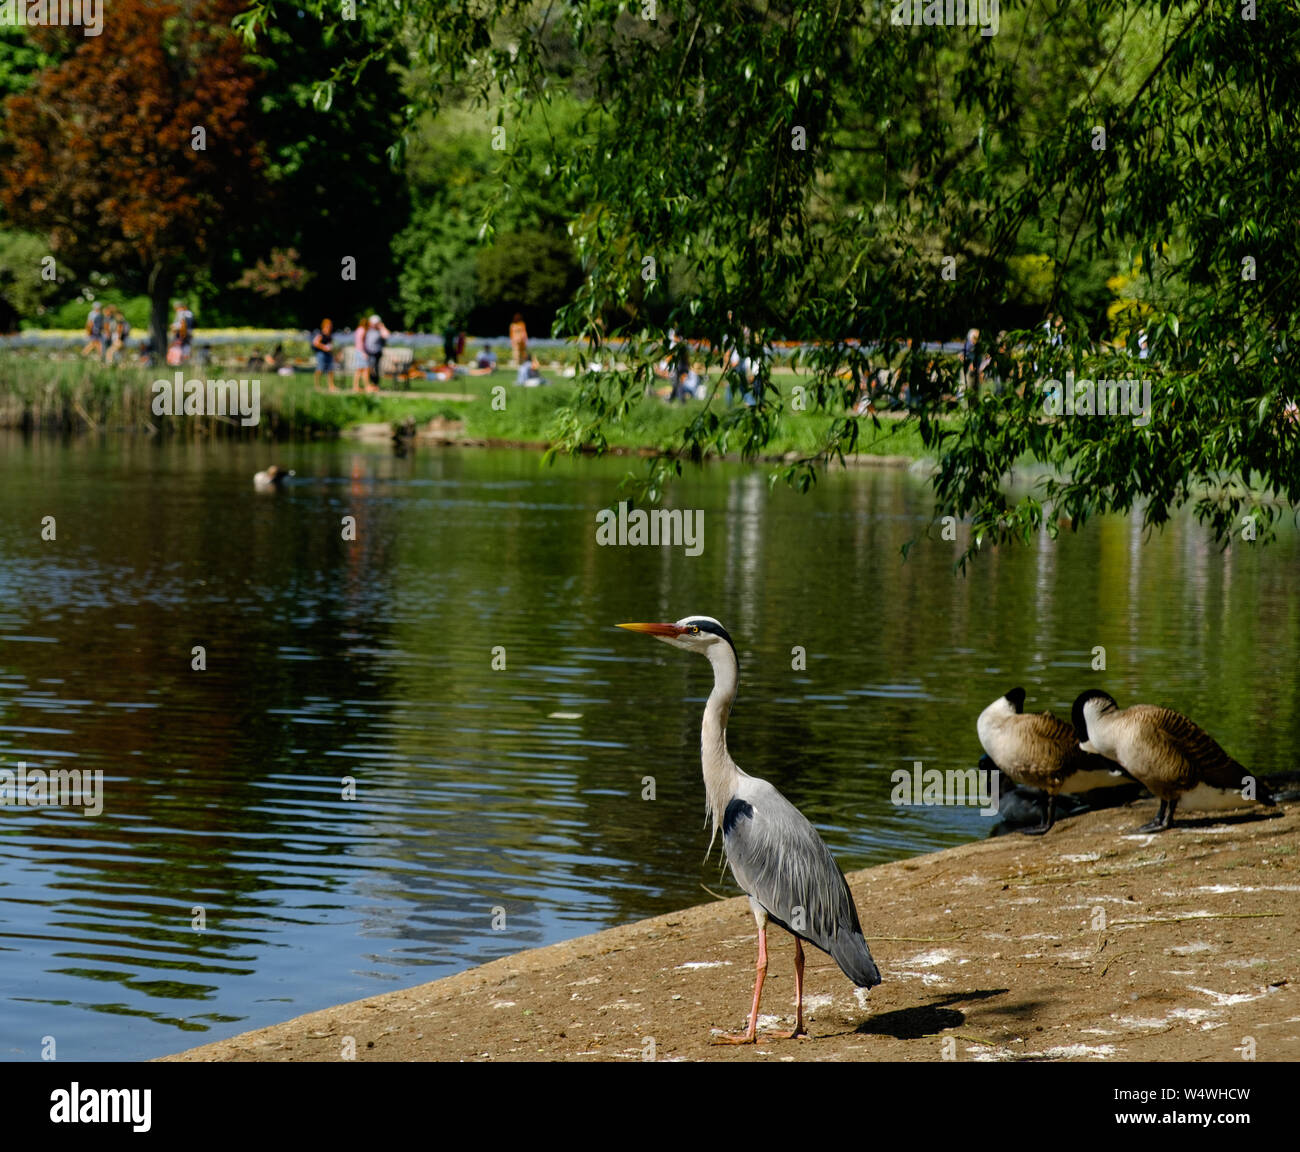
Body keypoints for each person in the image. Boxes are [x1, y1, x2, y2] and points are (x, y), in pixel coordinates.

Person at [364, 314, 390, 391]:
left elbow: (386, 335)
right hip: (369, 352)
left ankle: (375, 384)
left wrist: (382, 327)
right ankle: (370, 384)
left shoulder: (380, 330)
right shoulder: (368, 330)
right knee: (369, 369)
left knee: (375, 369)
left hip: (376, 353)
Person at [312, 318, 335, 390]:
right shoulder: (321, 334)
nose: (329, 326)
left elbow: (331, 344)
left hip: (329, 354)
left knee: (330, 370)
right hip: (321, 353)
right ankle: (317, 385)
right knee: (320, 369)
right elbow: (315, 343)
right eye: (328, 325)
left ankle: (331, 386)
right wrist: (324, 347)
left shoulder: (329, 334)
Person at [352, 315, 368, 392]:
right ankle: (366, 386)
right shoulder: (363, 330)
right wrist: (364, 353)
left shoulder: (358, 330)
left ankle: (356, 386)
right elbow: (361, 343)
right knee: (364, 370)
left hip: (357, 351)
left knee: (359, 370)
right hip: (361, 351)